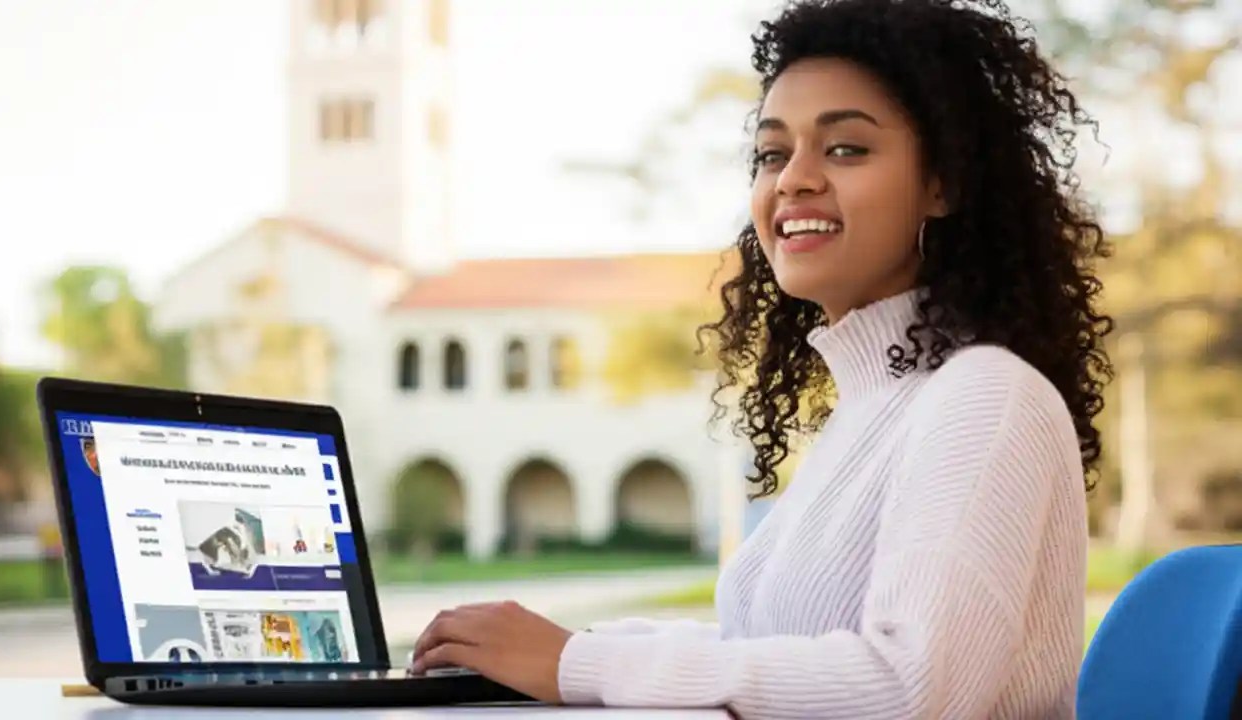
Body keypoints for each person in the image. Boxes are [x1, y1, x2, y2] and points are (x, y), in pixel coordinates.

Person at [410, 0, 1114, 716]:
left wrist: (576, 662)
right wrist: (566, 647)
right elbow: (771, 644)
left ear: (945, 183)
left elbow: (910, 689)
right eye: (773, 153)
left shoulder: (984, 395)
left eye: (845, 148)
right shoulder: (871, 409)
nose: (793, 179)